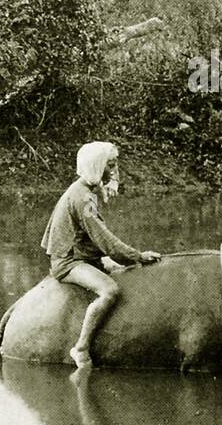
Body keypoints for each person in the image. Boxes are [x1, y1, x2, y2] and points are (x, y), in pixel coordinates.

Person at [41, 142, 160, 369]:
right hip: (70, 261)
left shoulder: (84, 188)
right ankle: (81, 347)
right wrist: (137, 256)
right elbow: (105, 241)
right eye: (110, 166)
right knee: (110, 291)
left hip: (81, 254)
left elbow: (108, 174)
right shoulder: (84, 199)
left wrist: (111, 181)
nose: (114, 170)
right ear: (97, 167)